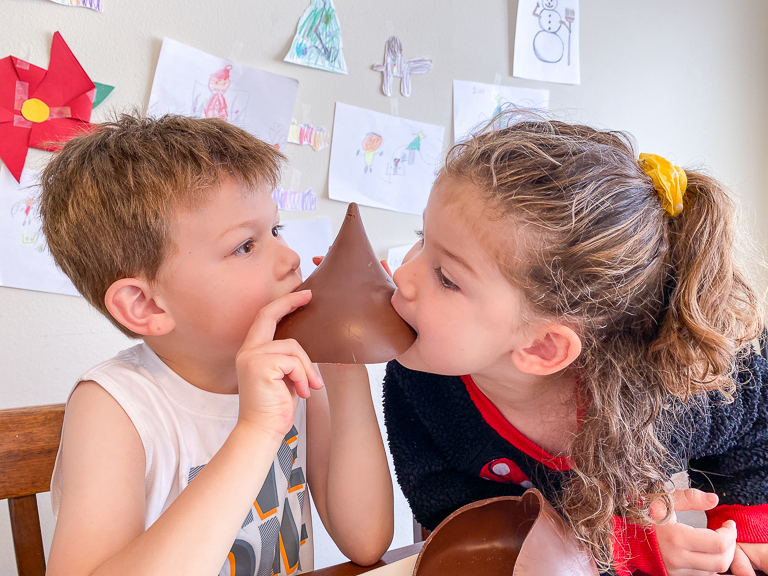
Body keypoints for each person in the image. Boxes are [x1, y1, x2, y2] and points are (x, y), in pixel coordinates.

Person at [382, 112, 768, 576]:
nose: (400, 275)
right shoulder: (421, 381)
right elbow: (449, 508)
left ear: (544, 347)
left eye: (446, 278)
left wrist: (746, 525)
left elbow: (756, 414)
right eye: (422, 238)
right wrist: (615, 544)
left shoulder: (670, 383)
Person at [40, 114, 394, 576]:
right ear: (144, 305)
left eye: (276, 231)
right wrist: (256, 430)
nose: (289, 259)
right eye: (246, 246)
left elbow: (366, 541)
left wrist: (345, 364)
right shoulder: (116, 406)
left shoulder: (301, 373)